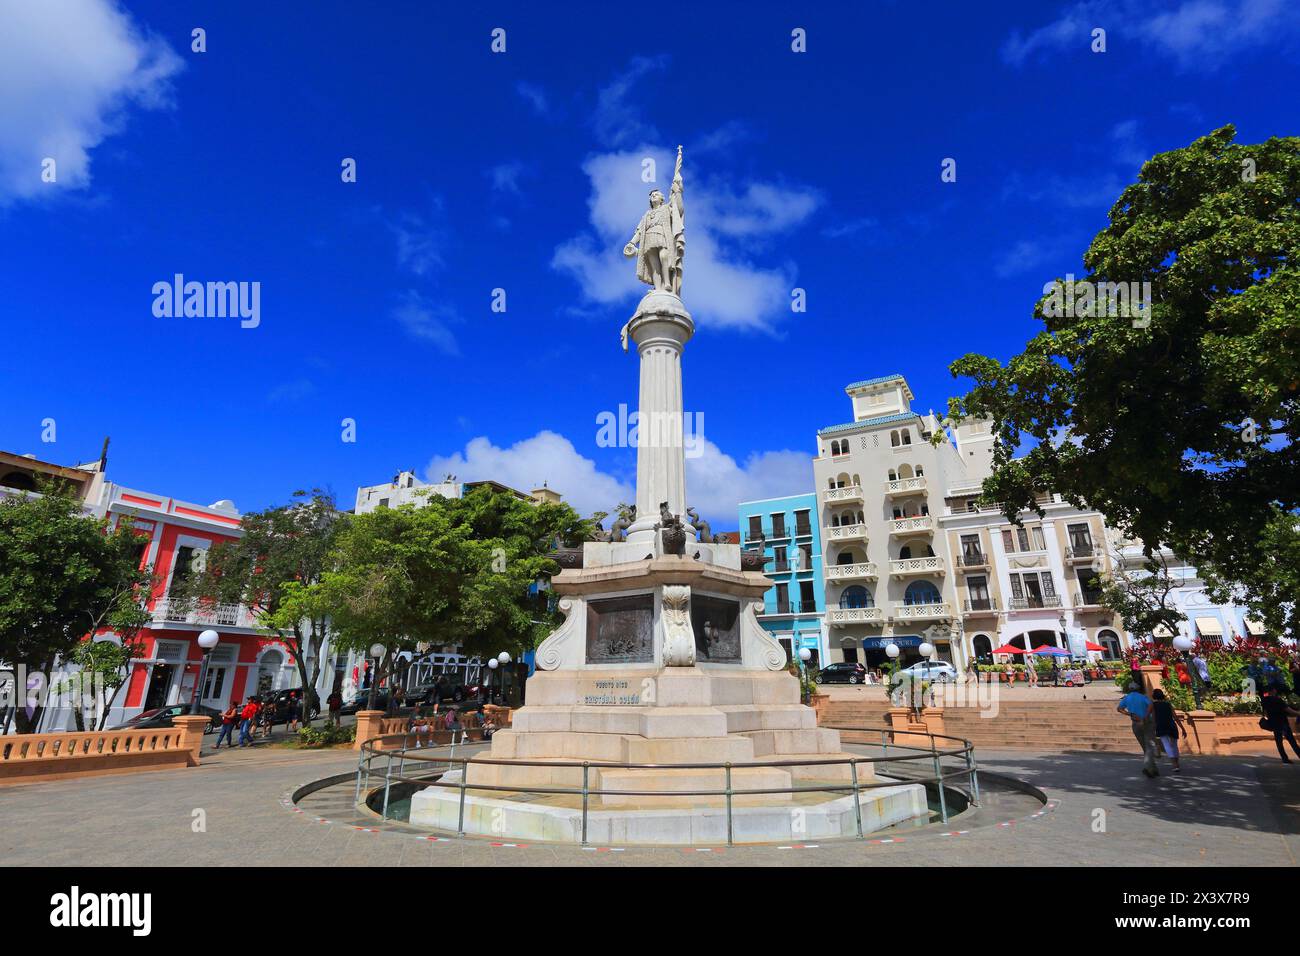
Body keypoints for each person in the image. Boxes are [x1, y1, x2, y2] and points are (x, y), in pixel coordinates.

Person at [1118, 682, 1159, 777]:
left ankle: (1153, 768)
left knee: (1145, 746)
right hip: (1146, 722)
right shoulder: (1143, 697)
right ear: (1138, 689)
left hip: (1135, 723)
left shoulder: (1127, 698)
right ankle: (1149, 768)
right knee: (1148, 746)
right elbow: (1151, 705)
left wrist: (1130, 714)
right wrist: (1146, 715)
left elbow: (1120, 709)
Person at [1261, 687, 1300, 763]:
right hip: (1283, 723)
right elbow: (1289, 710)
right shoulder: (1278, 700)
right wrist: (1298, 713)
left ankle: (1284, 758)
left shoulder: (1265, 701)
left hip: (1274, 723)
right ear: (1273, 690)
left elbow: (1265, 713)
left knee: (1279, 742)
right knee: (1292, 741)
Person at [1150, 689, 1183, 773]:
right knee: (1174, 745)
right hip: (1171, 725)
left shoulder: (1153, 705)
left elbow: (1153, 718)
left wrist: (1152, 729)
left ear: (1154, 696)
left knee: (1167, 745)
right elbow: (1175, 717)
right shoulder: (1168, 704)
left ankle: (1174, 764)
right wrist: (1183, 728)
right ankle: (1177, 763)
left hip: (1161, 726)